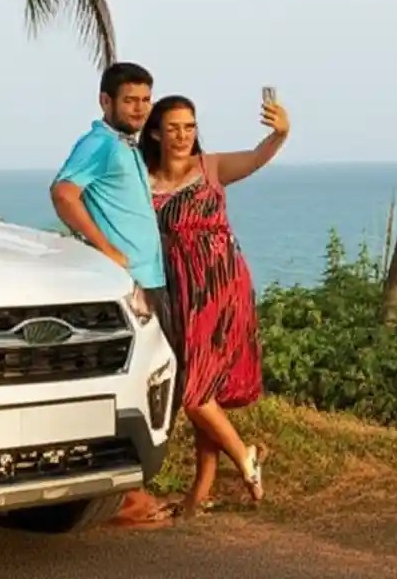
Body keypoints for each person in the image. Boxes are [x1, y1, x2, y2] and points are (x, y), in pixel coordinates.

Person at [138, 91, 289, 518]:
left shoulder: (211, 167)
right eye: (173, 128)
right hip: (181, 291)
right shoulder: (142, 180)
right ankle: (198, 495)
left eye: (189, 126)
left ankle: (244, 457)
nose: (183, 135)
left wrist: (281, 133)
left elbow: (257, 158)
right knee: (203, 391)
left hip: (223, 285)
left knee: (196, 393)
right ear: (156, 133)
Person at [50, 61, 182, 525]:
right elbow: (64, 193)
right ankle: (127, 497)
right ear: (105, 101)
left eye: (145, 100)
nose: (140, 109)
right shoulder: (100, 144)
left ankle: (129, 486)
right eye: (130, 100)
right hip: (130, 284)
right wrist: (104, 250)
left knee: (160, 378)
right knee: (137, 381)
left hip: (149, 278)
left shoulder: (126, 146)